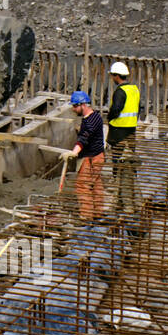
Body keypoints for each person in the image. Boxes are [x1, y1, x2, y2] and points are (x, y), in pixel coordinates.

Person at [105, 60, 141, 217]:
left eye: (113, 75)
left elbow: (116, 109)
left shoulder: (120, 91)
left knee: (119, 166)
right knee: (130, 165)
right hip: (131, 131)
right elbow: (138, 108)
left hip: (119, 131)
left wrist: (109, 118)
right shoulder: (135, 89)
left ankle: (124, 204)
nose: (112, 78)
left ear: (117, 76)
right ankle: (130, 200)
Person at [66, 90, 105, 221]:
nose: (73, 109)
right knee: (95, 184)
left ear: (83, 105)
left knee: (83, 186)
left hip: (92, 158)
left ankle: (87, 217)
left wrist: (73, 152)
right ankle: (98, 214)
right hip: (97, 156)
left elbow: (84, 138)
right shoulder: (95, 116)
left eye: (75, 106)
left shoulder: (90, 122)